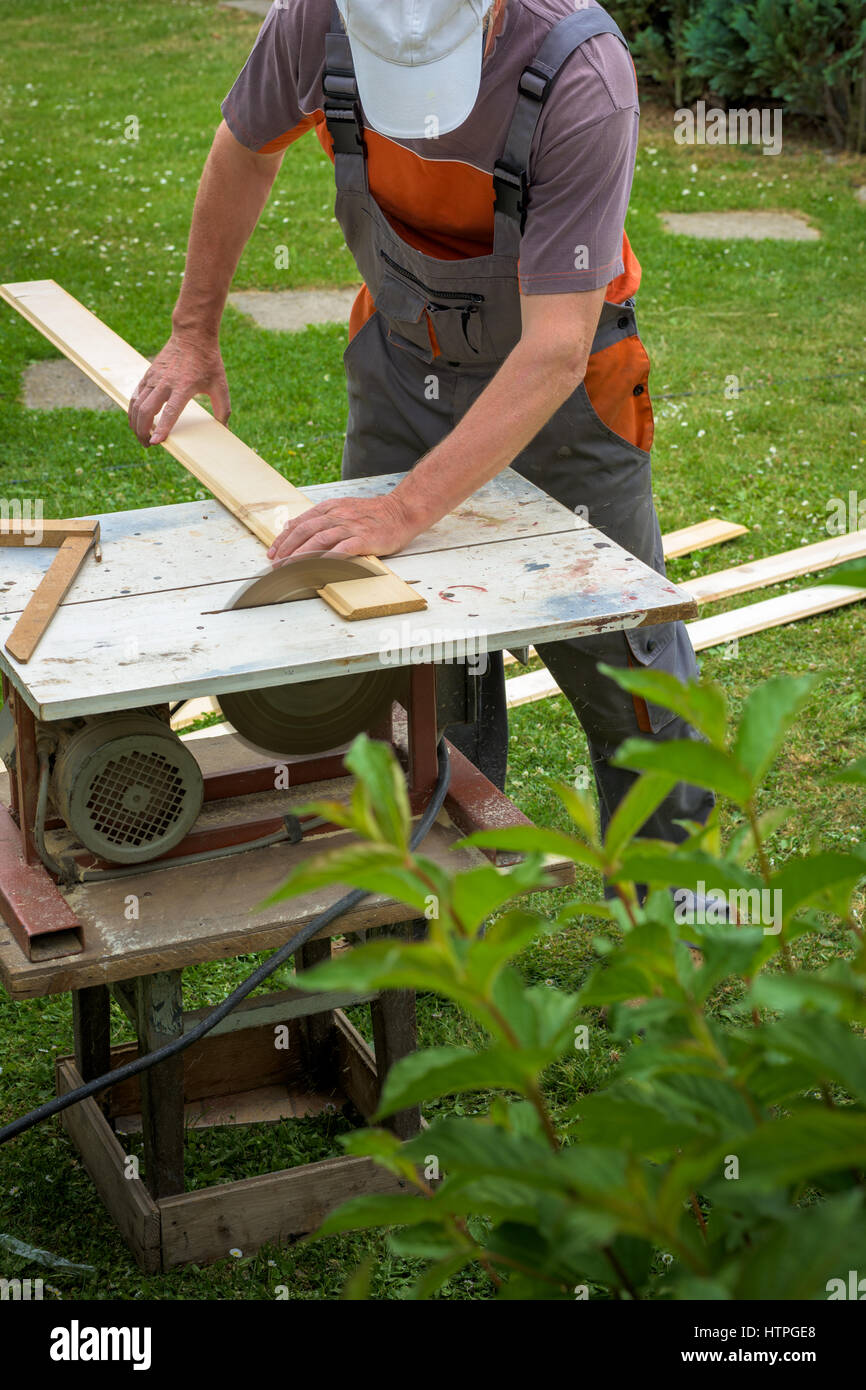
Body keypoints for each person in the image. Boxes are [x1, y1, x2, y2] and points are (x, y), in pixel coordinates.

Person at [129, 0, 713, 840]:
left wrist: (406, 507)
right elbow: (242, 149)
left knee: (625, 657)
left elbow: (553, 348)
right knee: (401, 649)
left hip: (570, 393)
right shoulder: (315, 19)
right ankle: (428, 916)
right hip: (404, 360)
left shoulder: (582, 71)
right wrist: (192, 332)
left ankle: (680, 917)